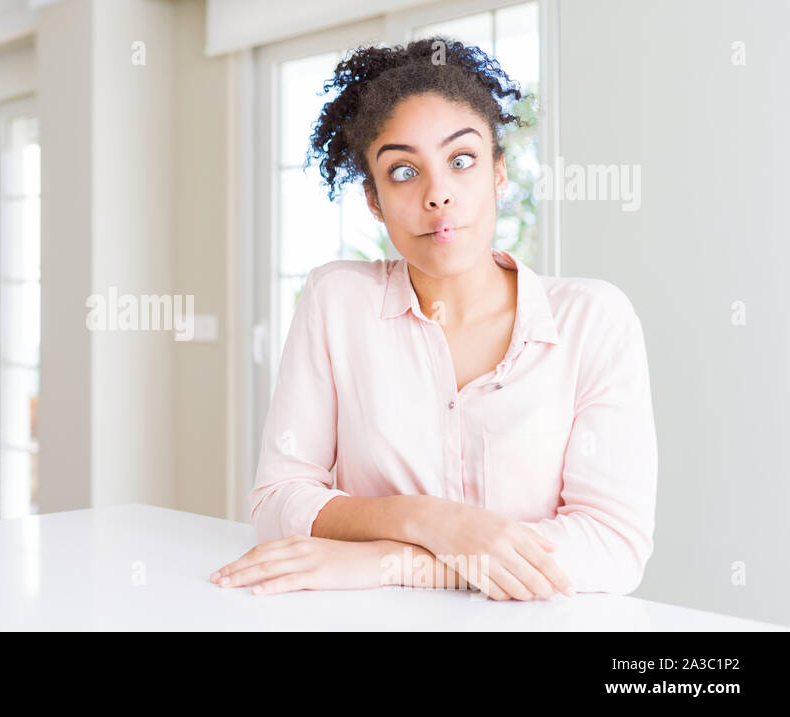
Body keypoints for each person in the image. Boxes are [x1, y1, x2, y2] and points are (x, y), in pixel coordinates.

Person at [210, 36, 657, 600]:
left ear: (499, 173)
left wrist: (399, 561)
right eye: (403, 172)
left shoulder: (594, 321)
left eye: (461, 161)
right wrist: (427, 520)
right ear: (373, 200)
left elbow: (612, 548)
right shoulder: (336, 302)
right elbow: (279, 500)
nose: (437, 194)